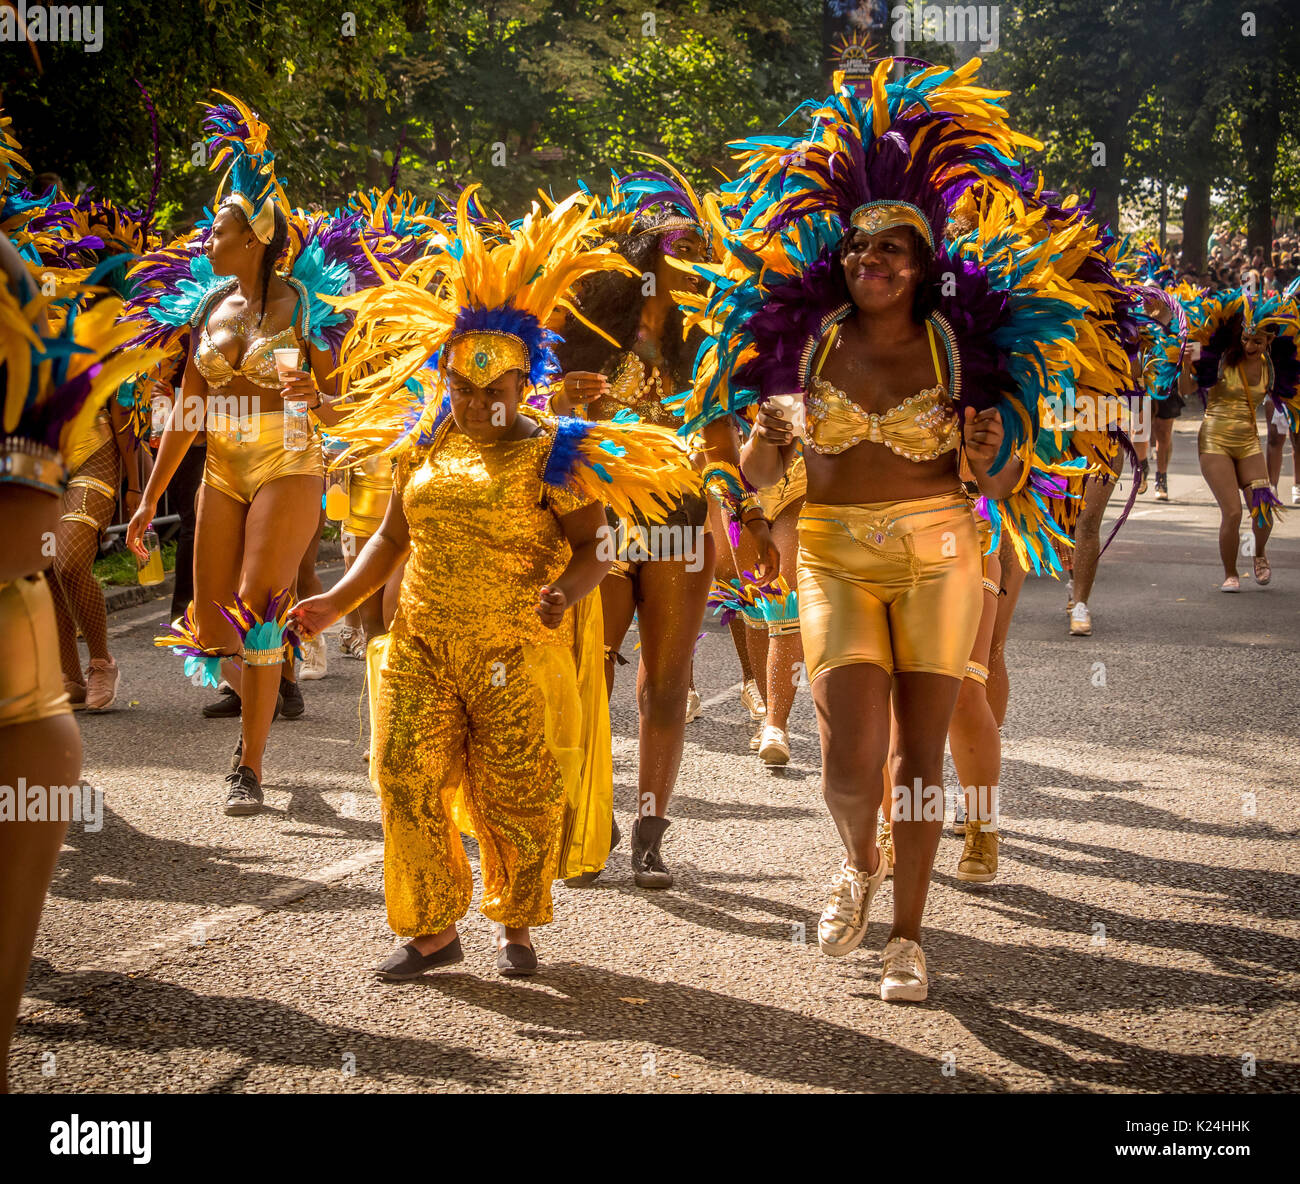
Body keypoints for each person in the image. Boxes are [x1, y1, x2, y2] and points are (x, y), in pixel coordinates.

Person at [688, 59, 1133, 1000]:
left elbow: (1009, 477)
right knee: (848, 757)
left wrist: (985, 450)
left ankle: (906, 935)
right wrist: (757, 452)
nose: (872, 265)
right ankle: (860, 859)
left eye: (891, 251)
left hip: (939, 553)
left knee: (918, 755)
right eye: (857, 253)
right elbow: (764, 478)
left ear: (925, 263)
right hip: (835, 557)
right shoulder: (803, 348)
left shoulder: (966, 350)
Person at [294, 189, 698, 976]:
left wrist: (571, 591)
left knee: (514, 788)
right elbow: (389, 535)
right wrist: (336, 600)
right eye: (462, 388)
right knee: (401, 771)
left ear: (524, 385)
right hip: (422, 638)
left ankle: (517, 924)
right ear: (444, 378)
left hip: (513, 648)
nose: (478, 405)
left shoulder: (555, 451)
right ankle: (433, 931)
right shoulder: (422, 442)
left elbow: (597, 545)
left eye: (495, 391)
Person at [124, 94, 380, 813]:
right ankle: (273, 681)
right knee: (209, 625)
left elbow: (341, 408)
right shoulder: (208, 309)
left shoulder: (304, 308)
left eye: (222, 226)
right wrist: (147, 500)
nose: (209, 235)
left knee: (260, 606)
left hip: (289, 462)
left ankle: (251, 763)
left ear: (257, 238)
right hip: (222, 467)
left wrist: (313, 396)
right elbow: (188, 411)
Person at [0, 224, 164, 1089]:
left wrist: (138, 504)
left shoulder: (59, 350)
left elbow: (116, 442)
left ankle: (97, 658)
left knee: (61, 560)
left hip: (84, 473)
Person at [550, 172, 717, 884]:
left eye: (699, 250)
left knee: (667, 684)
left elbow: (727, 430)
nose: (692, 262)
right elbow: (536, 404)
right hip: (605, 520)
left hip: (680, 519)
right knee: (590, 671)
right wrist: (562, 396)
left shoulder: (709, 336)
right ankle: (592, 813)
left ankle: (650, 831)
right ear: (647, 253)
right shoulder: (591, 319)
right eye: (681, 248)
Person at [1184, 288, 1298, 590]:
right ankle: (1230, 573)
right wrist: (1184, 362)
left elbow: (1290, 397)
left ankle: (1259, 554)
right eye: (1246, 338)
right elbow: (1184, 389)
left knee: (1262, 506)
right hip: (1214, 439)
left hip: (1248, 441)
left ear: (1269, 341)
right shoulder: (1220, 358)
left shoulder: (1271, 368)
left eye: (1257, 341)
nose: (1249, 345)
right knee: (1233, 512)